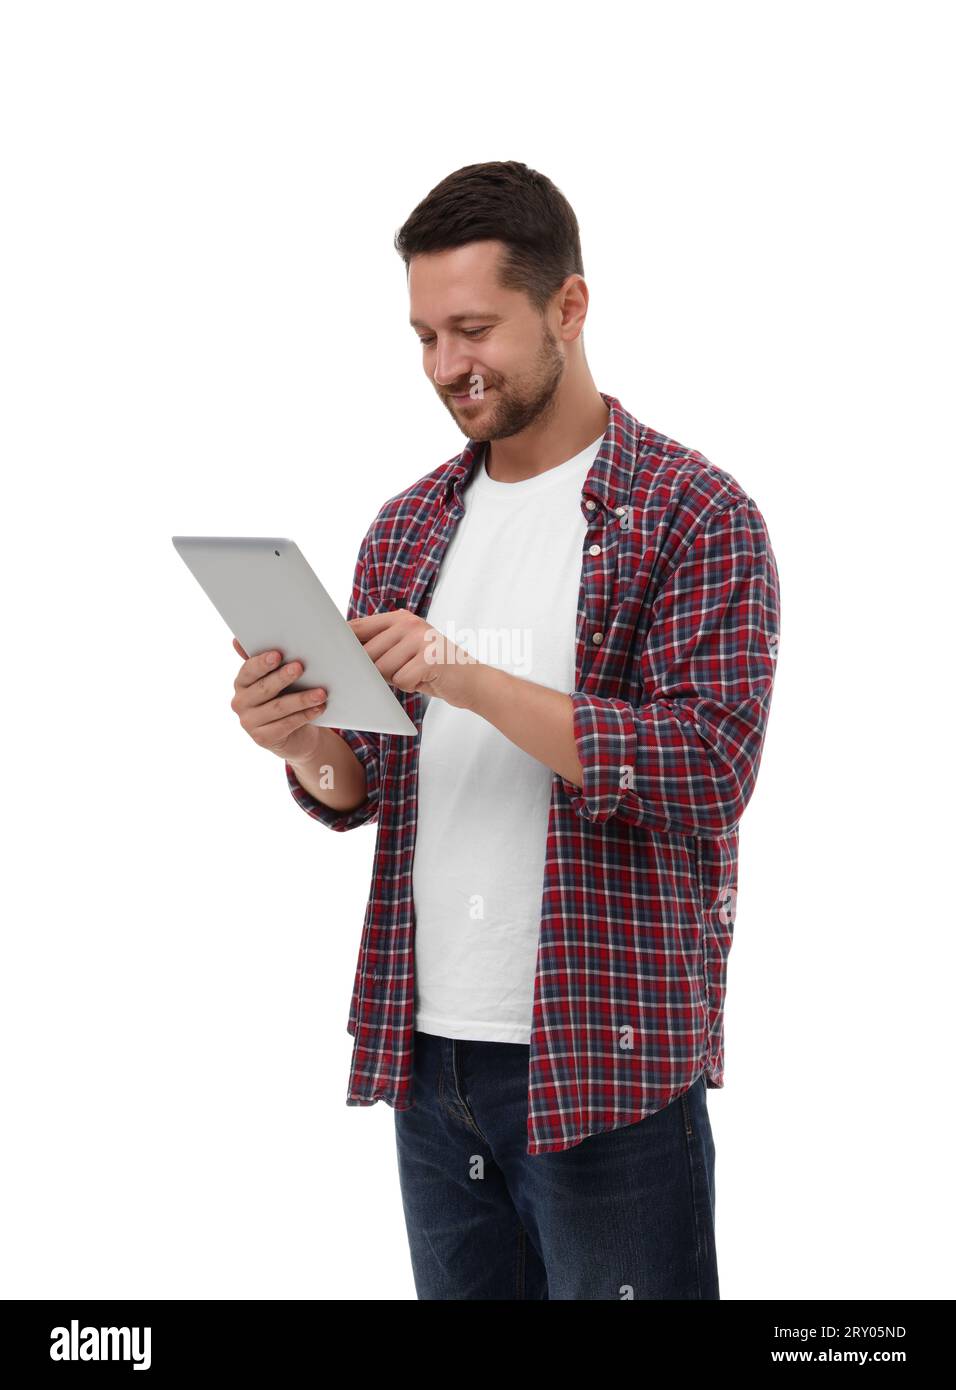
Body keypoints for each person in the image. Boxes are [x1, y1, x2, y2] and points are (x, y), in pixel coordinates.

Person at [231, 160, 780, 1300]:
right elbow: (364, 780)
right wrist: (297, 741)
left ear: (567, 309)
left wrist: (465, 676)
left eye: (472, 329)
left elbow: (704, 765)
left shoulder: (694, 513)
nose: (446, 368)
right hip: (430, 1057)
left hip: (607, 1061)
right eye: (425, 336)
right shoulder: (408, 524)